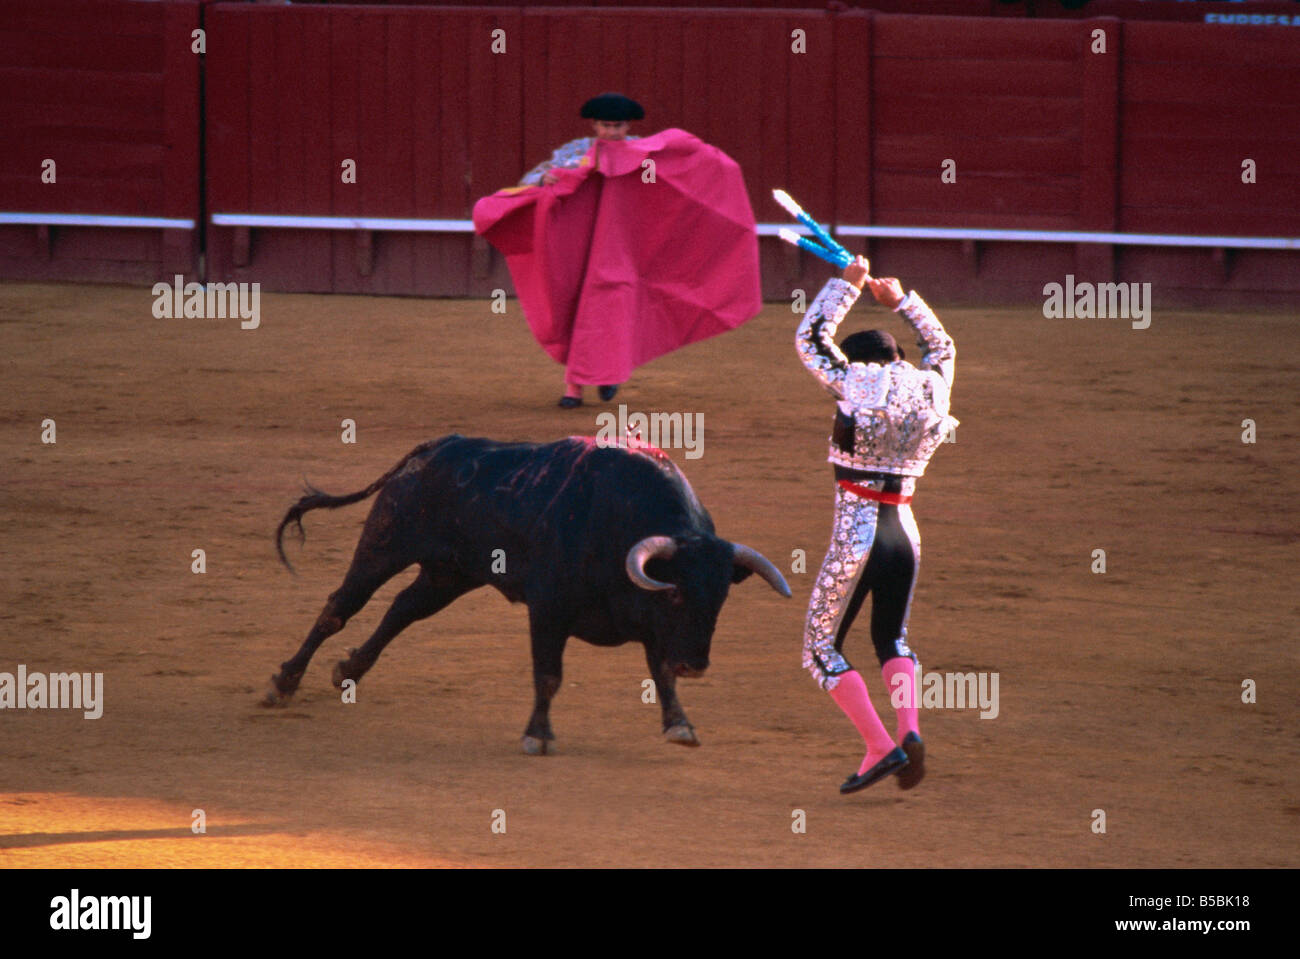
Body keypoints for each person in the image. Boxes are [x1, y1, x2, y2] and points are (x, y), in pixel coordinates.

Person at [795, 255, 957, 794]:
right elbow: (944, 348)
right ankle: (909, 732)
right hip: (905, 533)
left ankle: (879, 746)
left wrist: (848, 286)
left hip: (856, 534)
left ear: (857, 365)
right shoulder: (932, 384)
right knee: (891, 636)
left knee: (821, 646)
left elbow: (811, 339)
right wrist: (902, 300)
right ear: (899, 357)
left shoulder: (851, 383)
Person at [520, 92, 644, 407]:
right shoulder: (573, 152)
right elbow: (530, 180)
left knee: (613, 310)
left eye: (618, 126)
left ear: (628, 126)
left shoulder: (643, 151)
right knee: (577, 309)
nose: (612, 133)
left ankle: (607, 375)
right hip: (578, 247)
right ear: (594, 124)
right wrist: (544, 179)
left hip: (621, 248)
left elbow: (659, 188)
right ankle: (574, 388)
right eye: (606, 125)